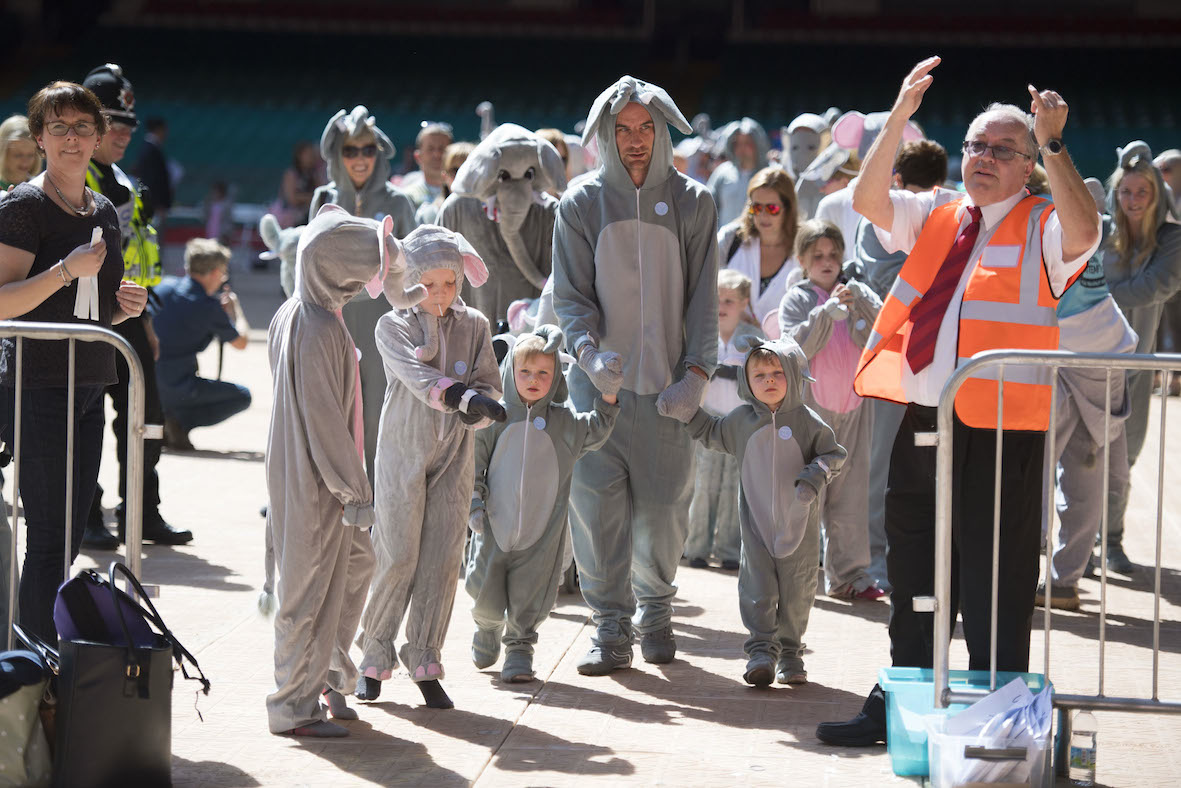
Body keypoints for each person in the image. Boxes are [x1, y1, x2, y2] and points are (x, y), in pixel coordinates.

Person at [816, 56, 1100, 747]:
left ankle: (996, 721)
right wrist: (898, 116)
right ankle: (901, 705)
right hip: (924, 419)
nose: (983, 157)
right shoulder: (939, 214)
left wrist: (1055, 141)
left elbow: (1087, 232)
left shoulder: (1044, 223)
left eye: (1003, 149)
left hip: (1002, 431)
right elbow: (868, 201)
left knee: (992, 581)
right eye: (975, 145)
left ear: (1029, 163)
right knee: (912, 570)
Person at [553, 75, 719, 674]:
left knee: (664, 512)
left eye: (645, 128)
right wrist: (588, 355)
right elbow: (569, 297)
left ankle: (656, 613)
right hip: (597, 398)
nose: (634, 140)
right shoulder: (579, 204)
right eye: (621, 130)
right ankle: (609, 627)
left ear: (663, 129)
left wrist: (697, 372)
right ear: (603, 134)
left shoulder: (695, 202)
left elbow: (704, 297)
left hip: (669, 393)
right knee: (596, 514)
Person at [264, 204, 424, 738]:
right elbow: (323, 419)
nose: (361, 288)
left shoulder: (302, 313)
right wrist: (353, 490)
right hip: (319, 485)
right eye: (356, 276)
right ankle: (293, 706)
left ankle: (329, 673)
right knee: (307, 590)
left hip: (315, 477)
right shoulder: (314, 326)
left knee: (354, 568)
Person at [0, 81, 148, 641]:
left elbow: (88, 310)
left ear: (98, 136)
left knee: (67, 540)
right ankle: (29, 668)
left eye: (82, 126)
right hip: (39, 386)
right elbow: (3, 301)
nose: (71, 137)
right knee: (46, 539)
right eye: (57, 127)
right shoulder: (23, 205)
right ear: (39, 137)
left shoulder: (103, 208)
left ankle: (41, 657)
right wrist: (67, 268)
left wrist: (120, 307)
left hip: (89, 384)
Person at [355, 225, 504, 709]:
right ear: (412, 281)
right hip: (403, 449)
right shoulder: (393, 324)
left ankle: (424, 655)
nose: (440, 294)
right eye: (429, 284)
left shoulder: (476, 324)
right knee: (397, 552)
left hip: (455, 451)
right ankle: (374, 653)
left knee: (442, 555)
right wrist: (460, 395)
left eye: (450, 284)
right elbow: (418, 377)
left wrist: (485, 405)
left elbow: (488, 380)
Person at [685, 340, 846, 685]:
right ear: (746, 380)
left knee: (797, 591)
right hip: (756, 527)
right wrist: (687, 411)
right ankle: (760, 651)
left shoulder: (807, 420)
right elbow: (711, 433)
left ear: (792, 375)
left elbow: (833, 455)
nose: (769, 380)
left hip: (798, 526)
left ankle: (791, 652)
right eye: (759, 374)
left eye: (777, 373)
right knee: (756, 587)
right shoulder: (742, 421)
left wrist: (814, 476)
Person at [466, 325, 619, 682]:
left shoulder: (564, 424)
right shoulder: (494, 417)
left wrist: (609, 396)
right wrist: (474, 501)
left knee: (530, 593)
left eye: (543, 373)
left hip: (541, 533)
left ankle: (520, 648)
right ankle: (487, 628)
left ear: (556, 377)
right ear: (510, 374)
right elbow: (474, 462)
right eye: (525, 372)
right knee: (484, 590)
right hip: (493, 524)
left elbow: (596, 428)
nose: (534, 379)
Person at [79, 64, 187, 547]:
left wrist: (146, 321)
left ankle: (142, 511)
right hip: (84, 316)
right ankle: (85, 515)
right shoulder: (69, 175)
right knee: (86, 419)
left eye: (128, 123)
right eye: (111, 121)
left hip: (131, 314)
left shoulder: (121, 175)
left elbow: (137, 250)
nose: (122, 132)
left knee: (145, 416)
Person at [854, 138, 948, 591]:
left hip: (939, 361)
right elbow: (885, 280)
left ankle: (929, 560)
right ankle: (874, 561)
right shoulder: (881, 218)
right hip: (892, 357)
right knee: (880, 465)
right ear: (897, 183)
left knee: (934, 465)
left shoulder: (948, 214)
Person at [309, 106, 418, 487]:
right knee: (332, 408)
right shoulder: (323, 198)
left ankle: (376, 496)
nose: (359, 159)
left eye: (368, 150)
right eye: (351, 151)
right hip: (332, 322)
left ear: (379, 154)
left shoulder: (400, 203)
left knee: (377, 414)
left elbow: (414, 265)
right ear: (337, 154)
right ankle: (330, 490)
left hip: (382, 326)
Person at [779, 219, 884, 599]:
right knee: (808, 495)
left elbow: (879, 337)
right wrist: (826, 314)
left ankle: (850, 577)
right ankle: (797, 574)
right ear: (802, 260)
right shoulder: (797, 299)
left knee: (851, 497)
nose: (827, 262)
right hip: (813, 414)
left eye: (834, 255)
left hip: (855, 409)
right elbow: (794, 348)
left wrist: (861, 307)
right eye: (817, 256)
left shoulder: (854, 294)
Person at [1101, 142, 1181, 574]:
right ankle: (1080, 543)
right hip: (1088, 364)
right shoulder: (1097, 232)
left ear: (1156, 196)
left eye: (1142, 193)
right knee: (1079, 457)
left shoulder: (1171, 240)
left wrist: (1096, 299)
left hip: (1136, 368)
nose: (1132, 201)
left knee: (1125, 457)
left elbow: (1156, 288)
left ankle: (1111, 540)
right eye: (1126, 192)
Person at [440, 123, 565, 324]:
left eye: (527, 174)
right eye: (504, 176)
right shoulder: (456, 208)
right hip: (469, 333)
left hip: (530, 335)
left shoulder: (549, 211)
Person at [685, 269, 763, 570]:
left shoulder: (753, 339)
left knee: (734, 485)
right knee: (702, 483)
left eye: (730, 300)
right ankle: (696, 546)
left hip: (739, 421)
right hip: (706, 418)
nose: (722, 305)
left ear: (744, 302)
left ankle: (730, 548)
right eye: (718, 299)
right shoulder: (703, 333)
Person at [151, 238, 251, 451]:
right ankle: (178, 421)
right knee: (242, 396)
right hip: (178, 386)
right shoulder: (208, 307)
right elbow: (241, 342)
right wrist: (236, 311)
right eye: (223, 272)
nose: (223, 278)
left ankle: (164, 420)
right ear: (215, 272)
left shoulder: (163, 287)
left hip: (146, 383)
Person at [716, 167, 800, 326]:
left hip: (786, 348)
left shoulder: (804, 246)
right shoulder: (730, 240)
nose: (763, 215)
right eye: (756, 207)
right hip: (729, 347)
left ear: (788, 209)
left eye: (772, 208)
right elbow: (703, 287)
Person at [708, 118, 770, 226]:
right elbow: (708, 206)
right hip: (726, 240)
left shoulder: (769, 173)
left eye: (747, 143)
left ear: (758, 144)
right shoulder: (722, 172)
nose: (742, 148)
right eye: (738, 143)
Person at [415, 141, 474, 226]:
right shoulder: (429, 216)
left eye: (469, 170)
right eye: (455, 170)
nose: (463, 176)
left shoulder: (493, 213)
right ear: (444, 175)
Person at [399, 121, 453, 208]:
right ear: (417, 157)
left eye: (442, 149)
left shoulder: (464, 194)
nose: (437, 155)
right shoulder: (407, 197)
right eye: (430, 149)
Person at [133, 116, 171, 229]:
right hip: (154, 204)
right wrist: (158, 203)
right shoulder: (151, 150)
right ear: (159, 129)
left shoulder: (149, 148)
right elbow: (153, 179)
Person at [276, 141, 323, 227]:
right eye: (308, 154)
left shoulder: (314, 174)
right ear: (299, 156)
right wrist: (309, 198)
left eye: (312, 154)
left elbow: (320, 193)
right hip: (289, 219)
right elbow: (292, 199)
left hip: (308, 217)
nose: (311, 157)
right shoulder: (291, 174)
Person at [0, 115, 41, 190]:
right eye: (18, 155)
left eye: (30, 155)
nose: (25, 162)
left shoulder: (40, 187)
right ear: (3, 153)